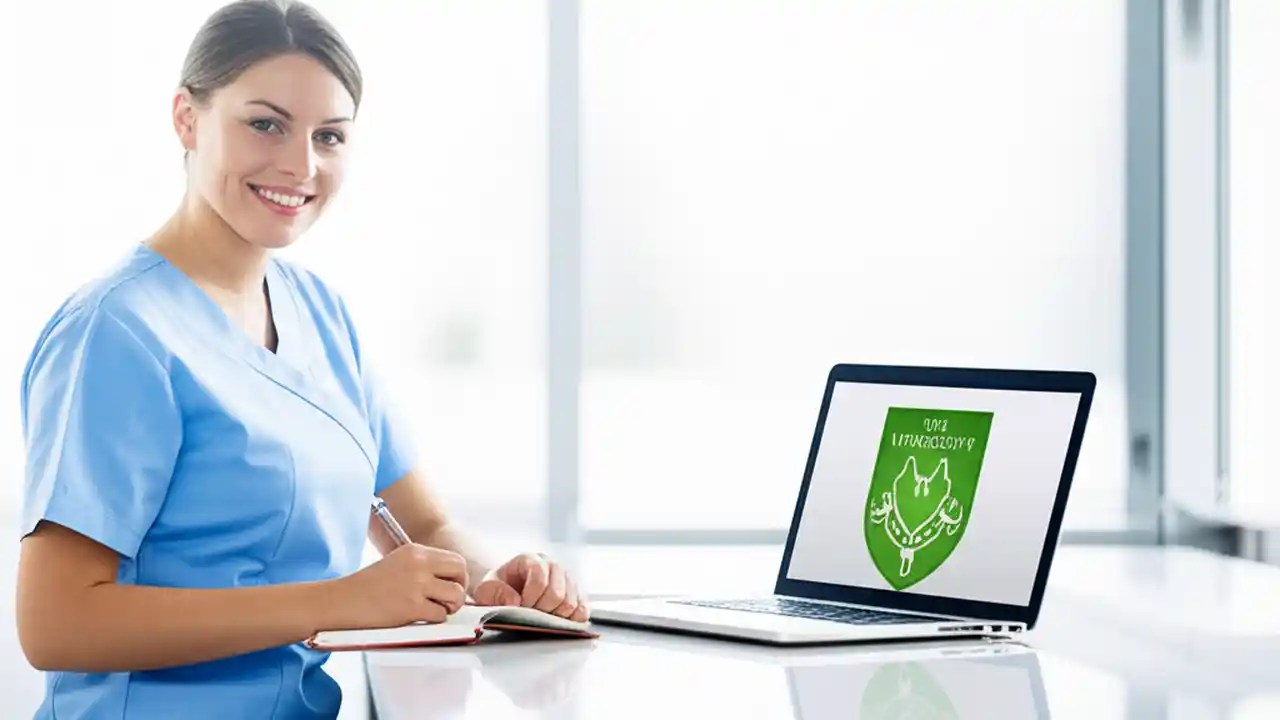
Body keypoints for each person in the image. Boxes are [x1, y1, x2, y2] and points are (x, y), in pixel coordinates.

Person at [15, 1, 588, 717]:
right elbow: (56, 623)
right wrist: (339, 602)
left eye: (330, 136)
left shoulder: (320, 315)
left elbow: (425, 528)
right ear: (187, 119)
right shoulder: (116, 334)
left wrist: (503, 584)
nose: (301, 164)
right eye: (266, 124)